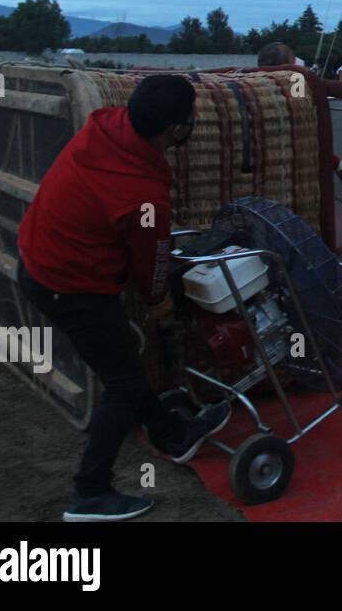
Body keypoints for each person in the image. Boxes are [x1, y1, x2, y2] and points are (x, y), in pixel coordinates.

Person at [17, 74, 231, 521]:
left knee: (122, 366)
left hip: (39, 259)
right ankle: (89, 493)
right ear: (175, 129)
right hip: (69, 283)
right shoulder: (143, 197)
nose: (193, 122)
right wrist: (160, 303)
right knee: (124, 384)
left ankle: (172, 434)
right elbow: (150, 264)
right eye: (189, 116)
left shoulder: (106, 126)